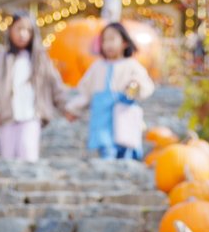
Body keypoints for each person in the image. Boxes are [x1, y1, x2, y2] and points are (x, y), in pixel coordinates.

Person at [0, 12, 69, 162]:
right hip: (8, 116)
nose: (22, 34)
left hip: (32, 114)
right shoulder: (1, 59)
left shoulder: (41, 59)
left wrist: (65, 106)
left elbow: (55, 84)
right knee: (7, 155)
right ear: (10, 31)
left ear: (33, 33)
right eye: (18, 29)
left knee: (28, 151)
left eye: (27, 30)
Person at [65, 22, 155, 160]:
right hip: (102, 120)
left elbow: (145, 86)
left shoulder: (131, 65)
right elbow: (86, 94)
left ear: (124, 42)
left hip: (124, 118)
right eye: (105, 40)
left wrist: (134, 87)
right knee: (107, 150)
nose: (108, 44)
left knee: (126, 150)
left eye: (112, 39)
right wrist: (74, 109)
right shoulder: (97, 67)